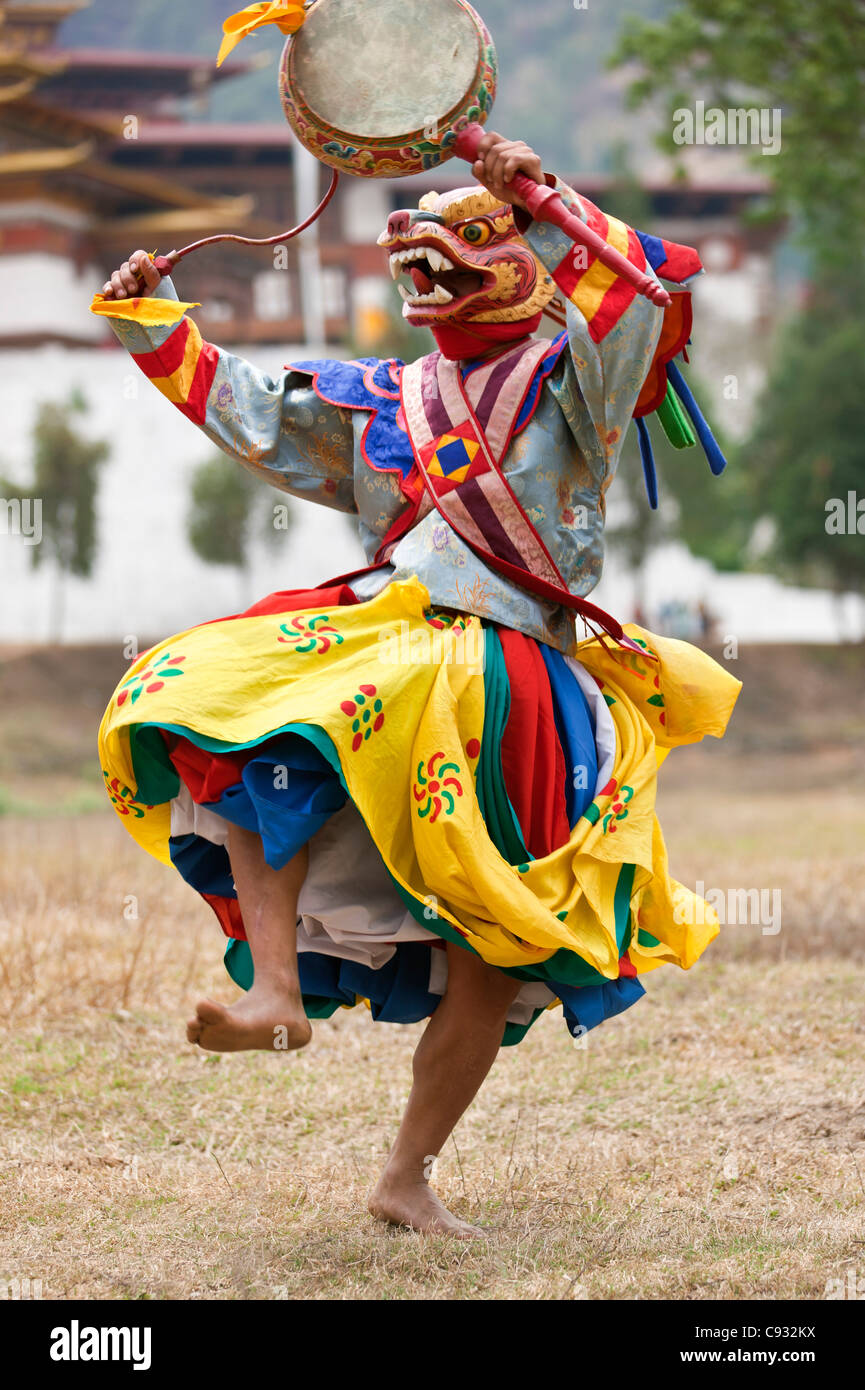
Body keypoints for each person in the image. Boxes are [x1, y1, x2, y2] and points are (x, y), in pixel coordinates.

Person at [97, 132, 740, 1237]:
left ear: (525, 259)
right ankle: (278, 992)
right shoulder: (387, 402)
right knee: (229, 709)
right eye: (422, 247)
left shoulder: (575, 376)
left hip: (517, 679)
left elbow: (639, 297)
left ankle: (406, 1175)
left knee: (490, 951)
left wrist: (534, 186)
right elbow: (256, 414)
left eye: (472, 235)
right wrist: (160, 322)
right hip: (390, 643)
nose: (433, 259)